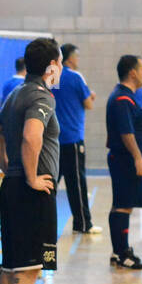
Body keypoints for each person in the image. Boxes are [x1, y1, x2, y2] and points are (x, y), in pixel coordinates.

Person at [0, 37, 63, 284]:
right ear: (50, 67)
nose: (60, 69)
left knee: (12, 266)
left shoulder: (17, 92)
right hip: (31, 192)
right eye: (59, 63)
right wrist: (31, 177)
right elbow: (32, 135)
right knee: (30, 268)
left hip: (13, 187)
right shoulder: (41, 96)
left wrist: (7, 166)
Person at [104, 54, 142, 269]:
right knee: (123, 207)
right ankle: (123, 254)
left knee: (121, 206)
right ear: (132, 72)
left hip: (124, 160)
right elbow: (126, 133)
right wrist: (138, 158)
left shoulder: (126, 96)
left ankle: (118, 251)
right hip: (126, 161)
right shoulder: (123, 99)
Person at [54, 43, 99, 235]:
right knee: (77, 184)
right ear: (70, 58)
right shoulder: (75, 77)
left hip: (52, 139)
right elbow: (88, 103)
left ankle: (37, 223)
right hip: (72, 138)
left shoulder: (51, 77)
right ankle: (82, 223)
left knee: (50, 183)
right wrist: (91, 96)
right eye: (77, 57)